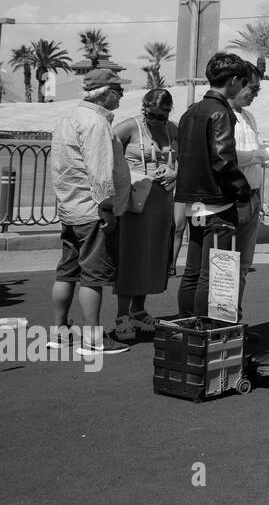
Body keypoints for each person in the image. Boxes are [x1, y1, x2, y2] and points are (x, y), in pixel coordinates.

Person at [48, 69, 133, 356]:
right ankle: (93, 337)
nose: (122, 95)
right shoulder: (96, 123)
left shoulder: (68, 119)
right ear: (105, 92)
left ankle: (59, 331)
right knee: (92, 276)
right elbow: (100, 171)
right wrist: (107, 207)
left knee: (67, 271)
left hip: (71, 207)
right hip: (92, 210)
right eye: (118, 90)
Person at [175, 52, 253, 320]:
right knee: (214, 273)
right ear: (233, 81)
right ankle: (204, 331)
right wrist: (242, 192)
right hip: (218, 205)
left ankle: (186, 326)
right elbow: (223, 161)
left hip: (193, 204)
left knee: (192, 271)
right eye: (242, 82)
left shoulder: (190, 112)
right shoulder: (221, 113)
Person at [110, 87, 178, 344]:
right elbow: (106, 154)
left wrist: (175, 172)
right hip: (135, 202)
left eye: (163, 115)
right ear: (144, 108)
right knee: (131, 256)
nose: (158, 121)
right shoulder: (129, 127)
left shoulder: (173, 130)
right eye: (153, 115)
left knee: (152, 255)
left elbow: (183, 158)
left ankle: (138, 310)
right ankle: (121, 315)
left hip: (161, 201)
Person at [230, 61, 269, 334]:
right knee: (225, 267)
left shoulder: (248, 117)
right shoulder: (222, 116)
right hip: (232, 200)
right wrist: (264, 154)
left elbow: (250, 156)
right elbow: (231, 157)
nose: (256, 94)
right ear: (236, 83)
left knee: (242, 266)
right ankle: (220, 324)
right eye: (253, 88)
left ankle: (234, 320)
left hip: (252, 198)